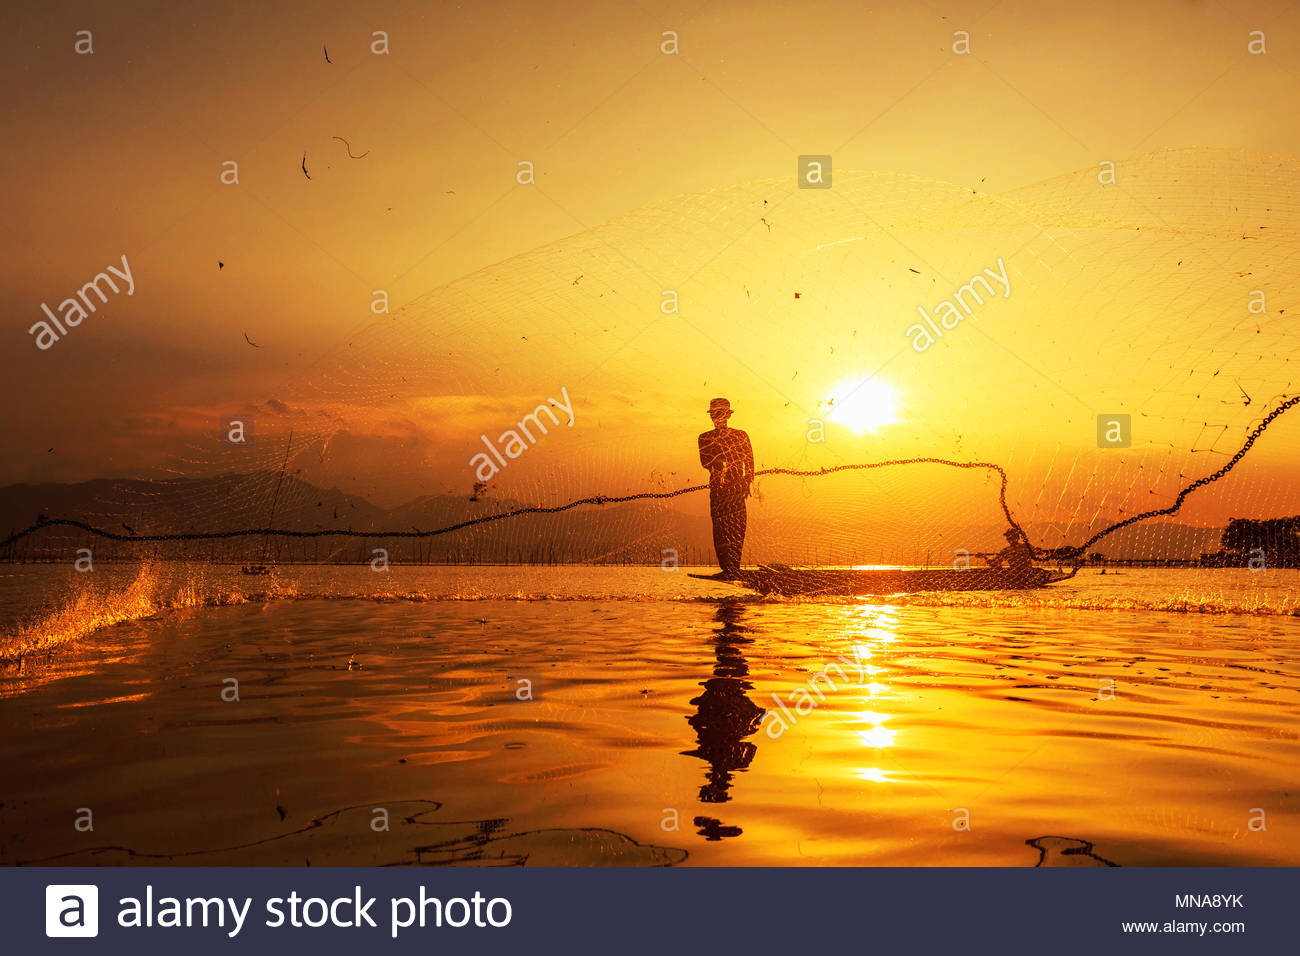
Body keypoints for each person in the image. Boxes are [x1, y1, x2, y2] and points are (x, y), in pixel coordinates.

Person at [698, 398, 753, 577]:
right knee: (720, 529)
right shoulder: (704, 437)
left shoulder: (741, 435)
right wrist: (722, 462)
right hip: (718, 490)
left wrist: (747, 482)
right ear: (712, 417)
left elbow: (750, 462)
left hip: (737, 489)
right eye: (716, 414)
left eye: (721, 414)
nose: (718, 417)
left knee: (737, 528)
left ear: (727, 415)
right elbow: (706, 462)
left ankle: (733, 567)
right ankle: (726, 568)